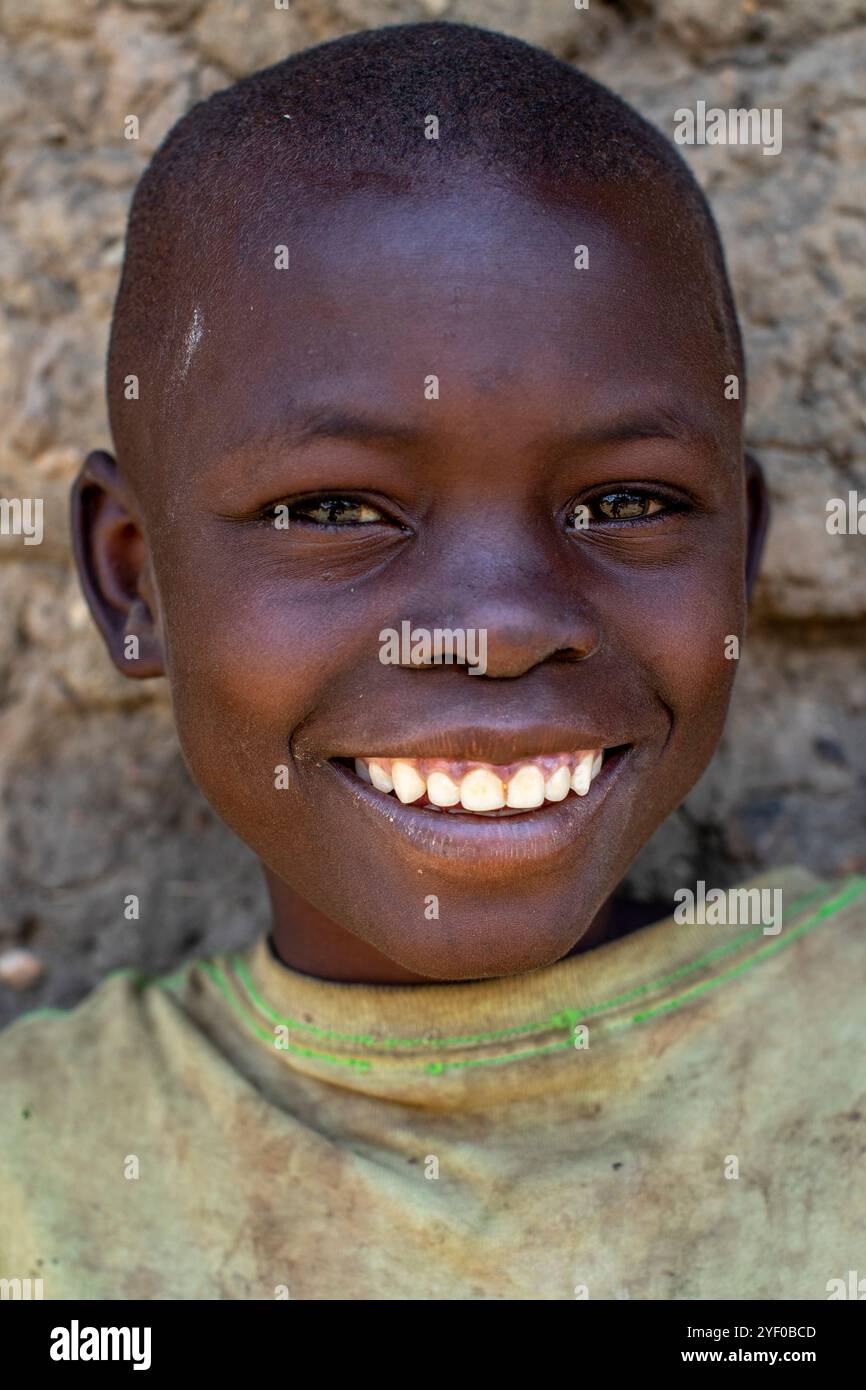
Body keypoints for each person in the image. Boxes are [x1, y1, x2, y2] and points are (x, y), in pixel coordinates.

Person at [1, 21, 862, 1300]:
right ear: (134, 577)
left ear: (739, 562)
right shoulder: (36, 1181)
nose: (502, 627)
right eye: (338, 511)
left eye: (626, 504)